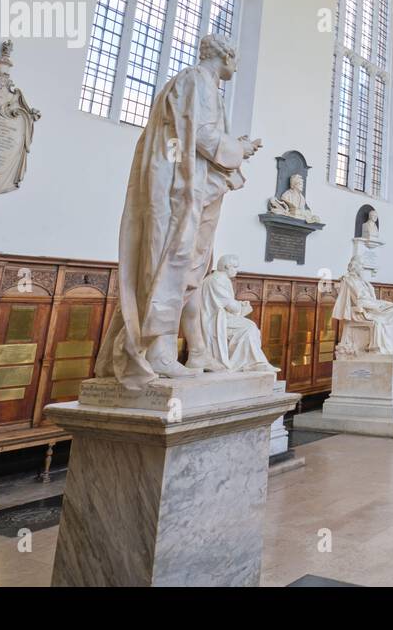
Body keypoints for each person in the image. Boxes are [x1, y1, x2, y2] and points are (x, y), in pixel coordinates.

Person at [94, 34, 260, 389]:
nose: (237, 65)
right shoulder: (193, 80)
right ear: (226, 55)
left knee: (192, 268)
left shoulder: (210, 88)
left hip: (200, 189)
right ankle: (157, 351)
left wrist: (234, 150)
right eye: (236, 58)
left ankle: (197, 349)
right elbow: (198, 135)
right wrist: (240, 148)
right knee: (169, 261)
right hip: (177, 190)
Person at [186, 255, 275, 373]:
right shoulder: (216, 280)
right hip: (214, 321)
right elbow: (230, 306)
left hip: (220, 318)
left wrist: (239, 306)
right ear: (227, 267)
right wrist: (243, 307)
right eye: (235, 267)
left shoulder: (219, 279)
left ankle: (254, 362)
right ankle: (246, 363)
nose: (236, 270)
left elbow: (227, 303)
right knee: (249, 327)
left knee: (249, 327)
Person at [332, 254, 393, 354]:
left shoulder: (363, 281)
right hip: (364, 310)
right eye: (361, 265)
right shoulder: (348, 280)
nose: (363, 268)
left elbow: (371, 298)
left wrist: (384, 304)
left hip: (372, 305)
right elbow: (357, 300)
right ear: (354, 266)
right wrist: (378, 306)